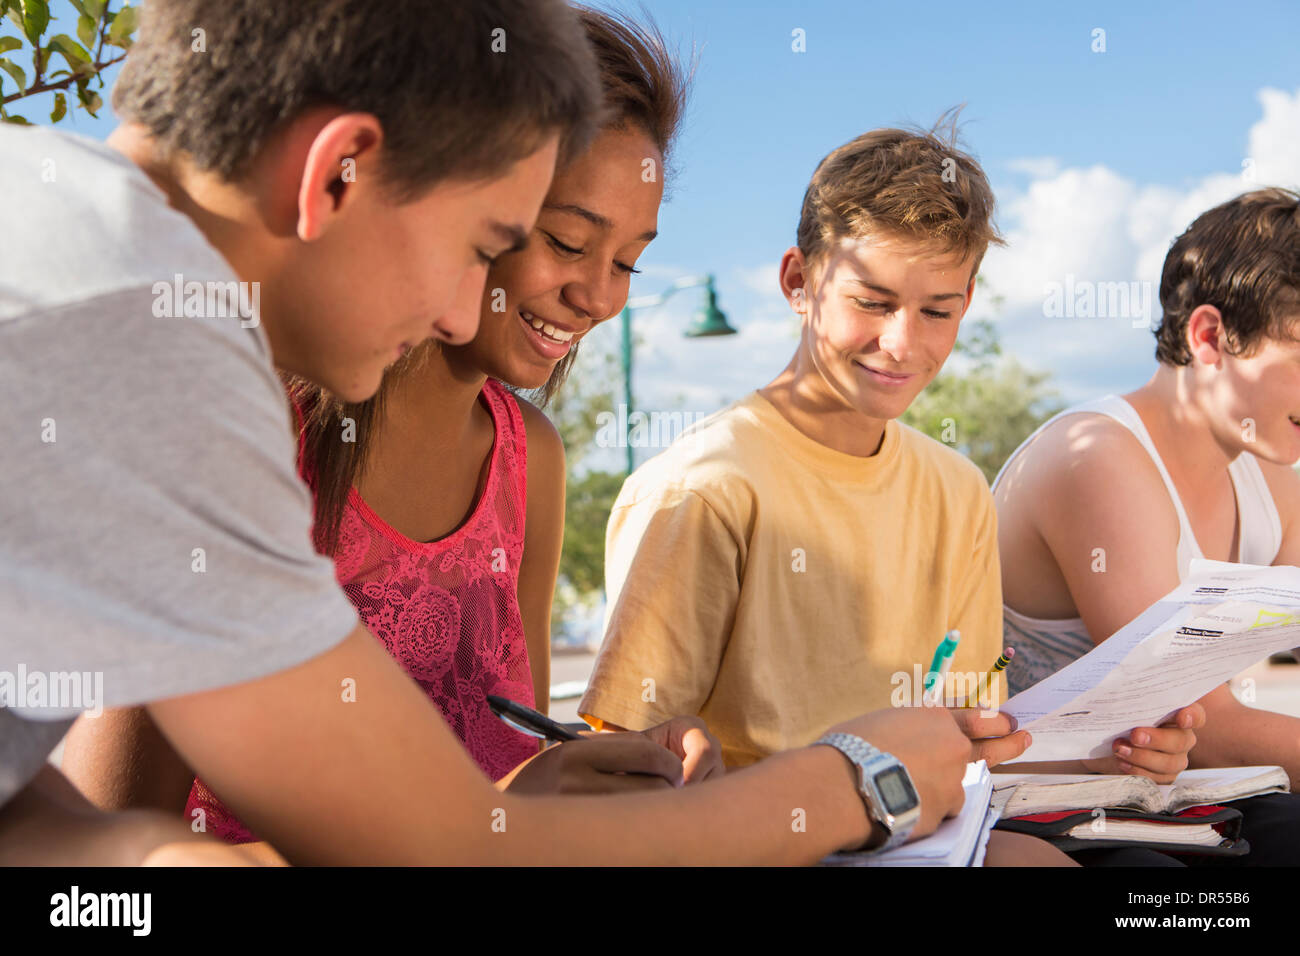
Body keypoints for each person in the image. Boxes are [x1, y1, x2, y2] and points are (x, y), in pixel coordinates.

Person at [1, 0, 1027, 866]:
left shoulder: (75, 250)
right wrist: (854, 777)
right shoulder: (153, 349)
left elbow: (41, 822)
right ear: (339, 172)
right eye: (488, 243)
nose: (459, 311)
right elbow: (452, 850)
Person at [62, 8, 725, 848]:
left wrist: (606, 772)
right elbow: (103, 861)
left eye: (630, 261)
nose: (600, 296)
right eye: (556, 240)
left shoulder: (528, 461)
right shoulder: (225, 436)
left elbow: (516, 753)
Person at [577, 118, 1073, 865]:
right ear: (798, 283)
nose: (904, 343)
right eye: (872, 302)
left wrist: (1112, 750)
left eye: (936, 310)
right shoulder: (705, 489)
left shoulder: (959, 491)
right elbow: (621, 764)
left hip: (932, 840)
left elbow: (968, 727)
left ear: (965, 305)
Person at [993, 187, 1300, 865]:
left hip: (1168, 794)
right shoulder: (1099, 457)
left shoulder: (1271, 476)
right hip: (1039, 804)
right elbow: (1210, 725)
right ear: (1210, 337)